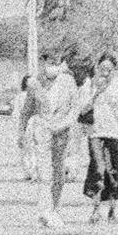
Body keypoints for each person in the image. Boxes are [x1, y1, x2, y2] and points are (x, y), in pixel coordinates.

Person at [78, 54, 118, 223]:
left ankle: (112, 209)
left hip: (116, 133)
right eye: (102, 68)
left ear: (114, 70)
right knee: (98, 169)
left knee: (115, 172)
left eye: (109, 69)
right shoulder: (89, 84)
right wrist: (95, 92)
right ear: (97, 67)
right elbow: (82, 110)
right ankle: (96, 209)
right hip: (96, 133)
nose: (105, 72)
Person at [31, 57, 82, 225]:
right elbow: (27, 109)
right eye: (47, 63)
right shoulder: (35, 82)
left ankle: (55, 207)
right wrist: (20, 132)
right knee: (44, 172)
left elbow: (75, 108)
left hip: (62, 131)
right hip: (42, 130)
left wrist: (64, 124)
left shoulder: (68, 82)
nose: (50, 67)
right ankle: (44, 211)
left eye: (54, 63)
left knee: (58, 171)